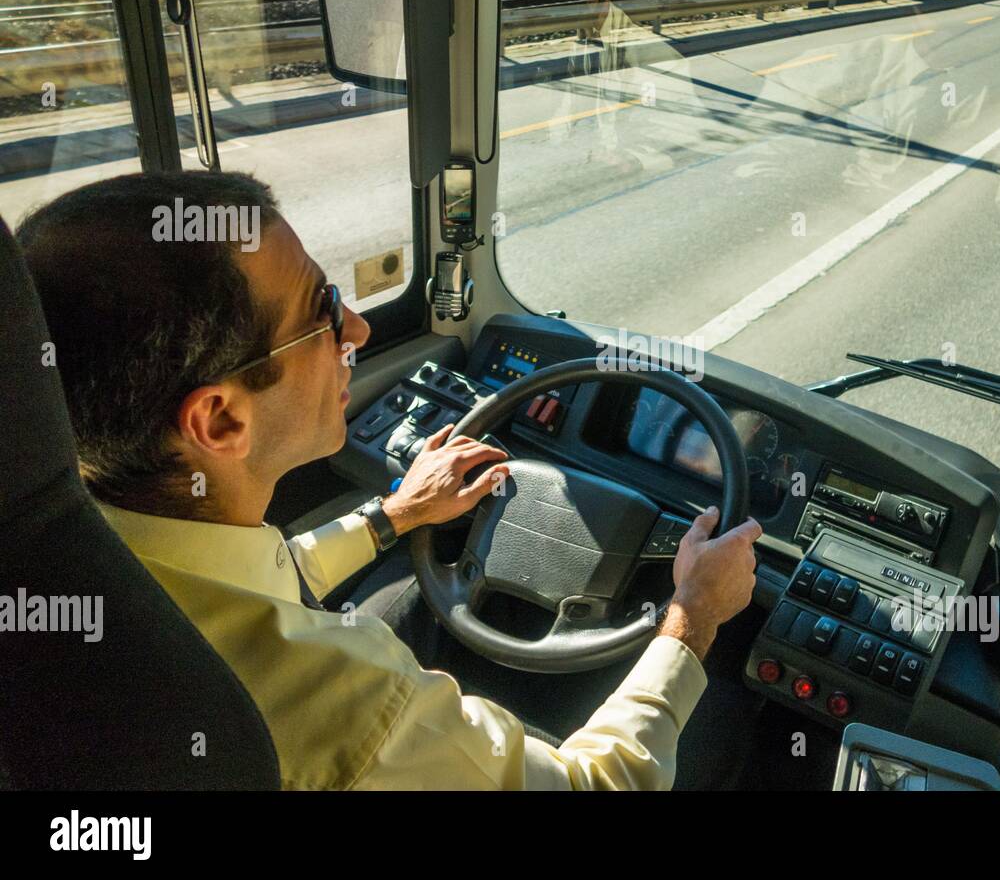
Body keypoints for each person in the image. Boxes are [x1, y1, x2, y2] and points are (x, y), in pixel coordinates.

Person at [19, 171, 761, 789]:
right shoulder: (337, 701)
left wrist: (393, 515)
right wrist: (693, 616)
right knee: (729, 730)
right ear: (220, 423)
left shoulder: (63, 538)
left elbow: (251, 584)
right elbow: (597, 784)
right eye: (322, 311)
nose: (360, 331)